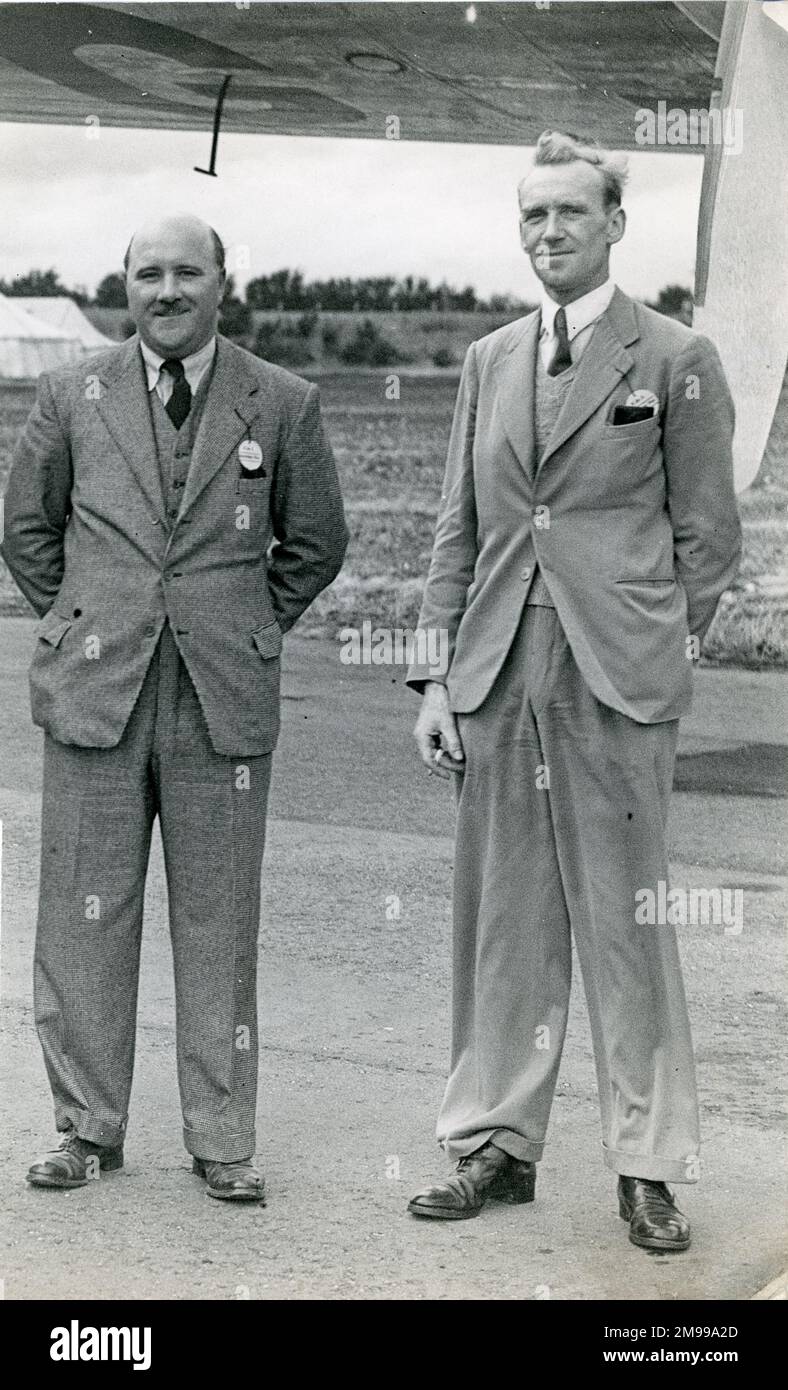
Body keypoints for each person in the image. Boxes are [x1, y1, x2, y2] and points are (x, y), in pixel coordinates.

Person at [405, 132, 741, 1250]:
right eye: (531, 215)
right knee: (501, 924)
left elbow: (707, 536)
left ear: (612, 225)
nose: (547, 232)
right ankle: (492, 1144)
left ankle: (647, 1163)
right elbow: (457, 525)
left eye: (568, 213)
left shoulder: (675, 356)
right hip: (498, 670)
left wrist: (651, 642)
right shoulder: (488, 358)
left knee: (628, 924)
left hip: (616, 675)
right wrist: (436, 677)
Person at [1, 214, 348, 1202]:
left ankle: (222, 1137)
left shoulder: (281, 401)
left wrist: (241, 621)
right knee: (82, 916)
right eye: (147, 272)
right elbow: (25, 530)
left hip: (217, 702)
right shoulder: (71, 394)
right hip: (95, 693)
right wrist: (82, 617)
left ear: (221, 284)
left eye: (186, 272)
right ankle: (84, 1127)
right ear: (124, 282)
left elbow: (316, 544)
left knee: (218, 921)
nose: (166, 290)